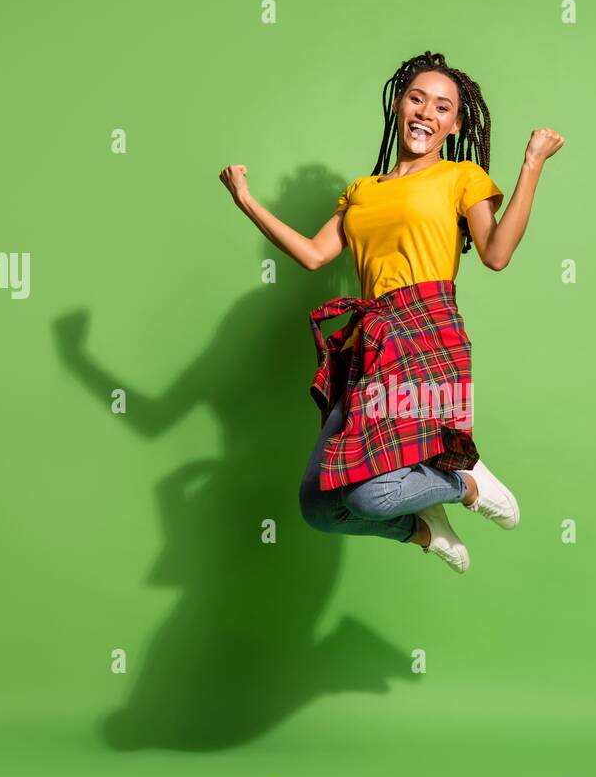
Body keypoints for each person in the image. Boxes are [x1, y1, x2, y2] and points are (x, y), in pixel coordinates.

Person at [219, 50, 564, 573]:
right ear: (399, 106)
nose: (426, 112)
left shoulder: (461, 177)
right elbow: (314, 255)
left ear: (455, 124)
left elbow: (496, 254)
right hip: (370, 342)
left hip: (426, 337)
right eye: (417, 98)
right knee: (318, 503)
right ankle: (426, 529)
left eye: (442, 107)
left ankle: (465, 481)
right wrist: (246, 200)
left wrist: (531, 165)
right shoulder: (362, 191)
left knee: (366, 496)